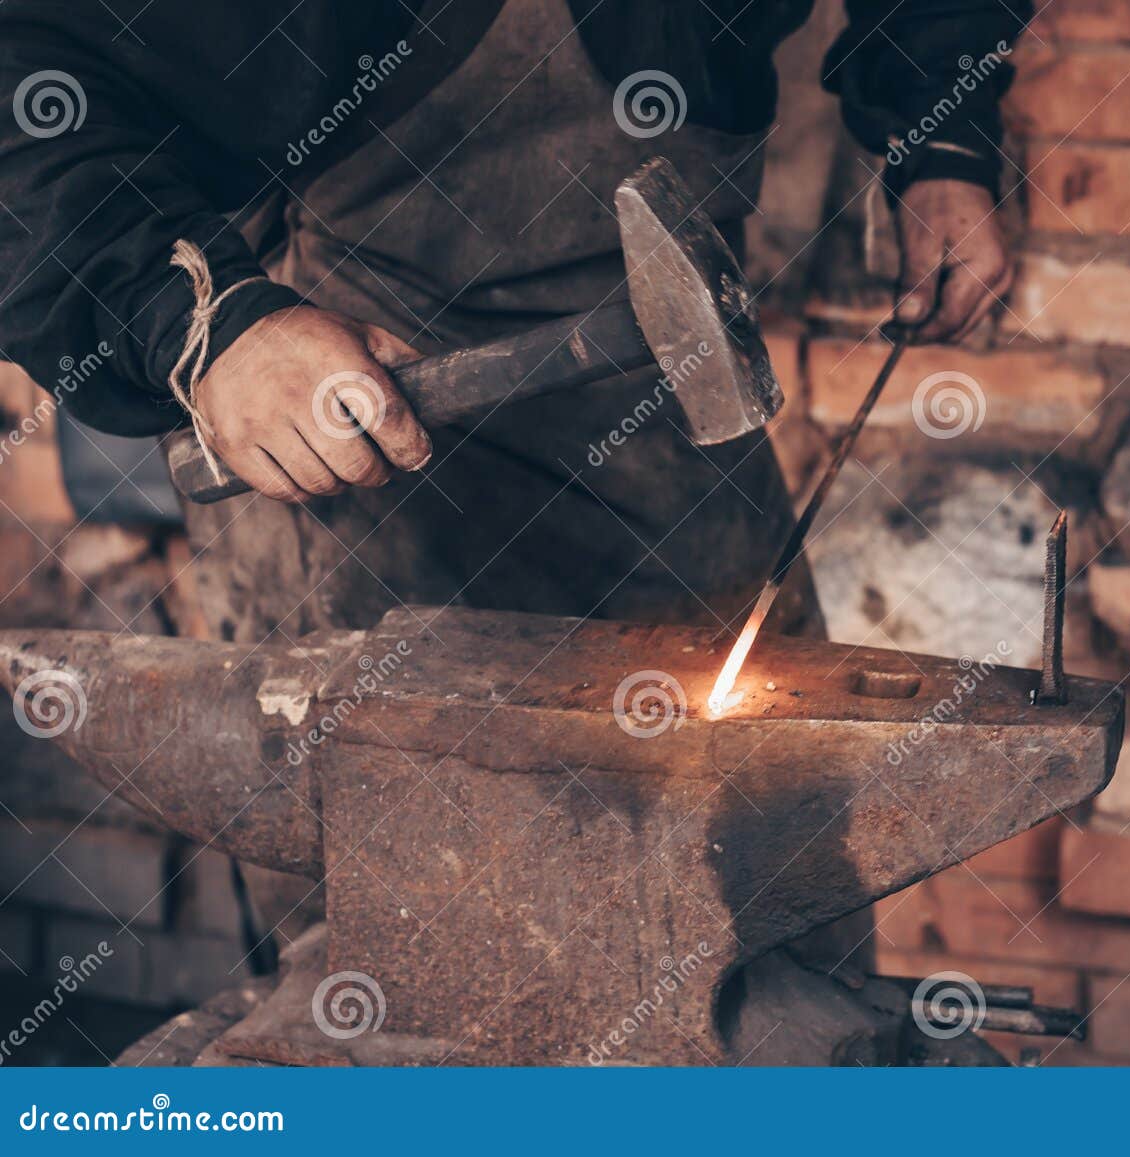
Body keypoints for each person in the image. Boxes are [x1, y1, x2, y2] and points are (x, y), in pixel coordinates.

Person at [0, 1, 1028, 950]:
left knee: (771, 852)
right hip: (344, 355)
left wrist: (940, 127)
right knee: (406, 917)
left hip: (657, 377)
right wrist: (203, 320)